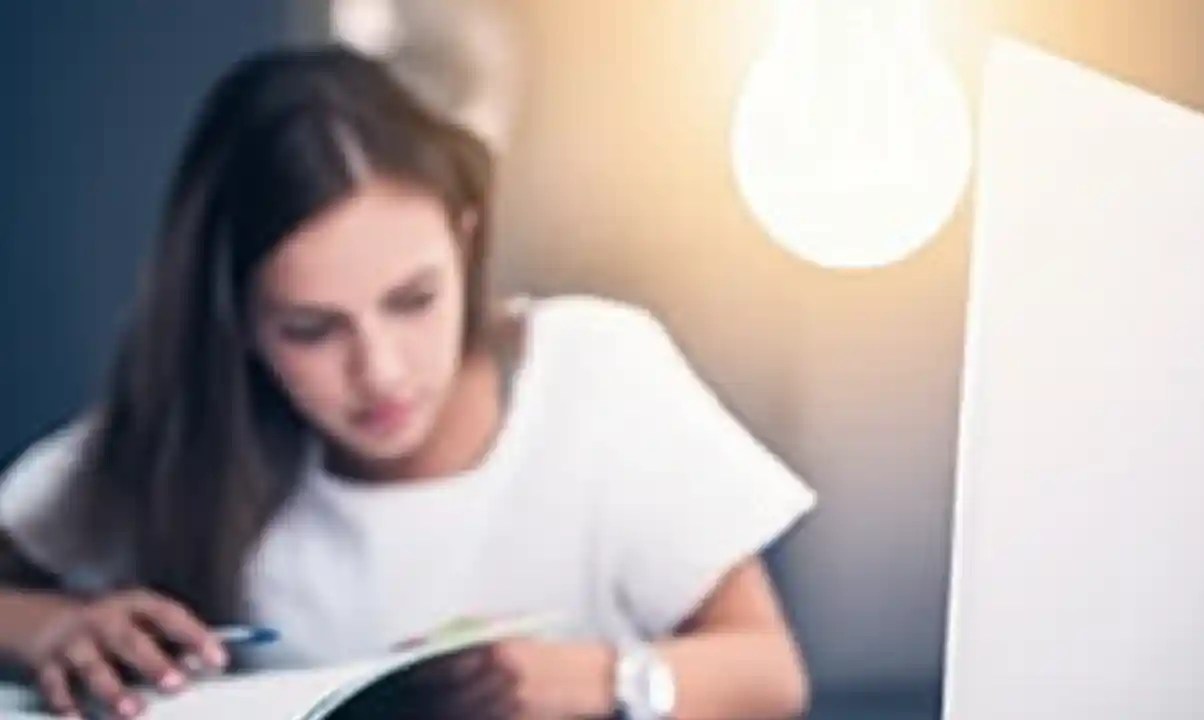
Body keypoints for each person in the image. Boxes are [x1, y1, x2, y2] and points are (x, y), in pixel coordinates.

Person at [0, 46, 815, 719]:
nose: (380, 371)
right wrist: (51, 628)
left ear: (465, 242)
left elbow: (771, 673)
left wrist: (601, 678)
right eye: (312, 329)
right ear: (237, 323)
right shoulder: (188, 429)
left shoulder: (594, 372)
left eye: (414, 301)